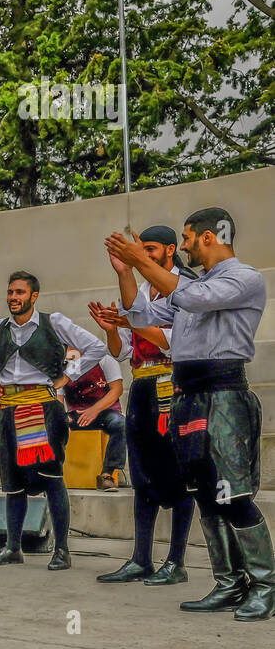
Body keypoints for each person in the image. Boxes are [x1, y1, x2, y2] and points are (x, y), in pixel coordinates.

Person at [108, 208, 270, 620]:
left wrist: (140, 259)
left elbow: (194, 300)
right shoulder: (192, 285)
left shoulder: (243, 278)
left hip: (225, 393)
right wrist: (127, 270)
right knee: (205, 493)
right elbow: (140, 314)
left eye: (187, 238)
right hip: (190, 394)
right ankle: (229, 583)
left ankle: (266, 585)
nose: (183, 246)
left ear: (211, 236)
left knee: (232, 493)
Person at [0, 271, 108, 570]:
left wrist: (67, 376)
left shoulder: (54, 322)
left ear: (34, 296)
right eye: (10, 292)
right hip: (8, 408)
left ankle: (61, 550)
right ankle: (13, 547)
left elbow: (96, 347)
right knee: (12, 483)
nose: (13, 298)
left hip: (43, 408)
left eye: (20, 292)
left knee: (51, 478)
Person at [88, 225, 195, 586]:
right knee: (143, 474)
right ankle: (140, 558)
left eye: (149, 250)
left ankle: (176, 561)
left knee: (179, 474)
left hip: (172, 383)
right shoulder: (137, 290)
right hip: (143, 385)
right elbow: (122, 352)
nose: (144, 255)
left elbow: (171, 340)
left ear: (169, 250)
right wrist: (113, 328)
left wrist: (131, 320)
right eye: (140, 250)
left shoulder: (186, 285)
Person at [61, 346, 126, 491]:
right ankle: (54, 475)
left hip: (105, 412)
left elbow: (117, 390)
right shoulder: (62, 368)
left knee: (120, 424)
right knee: (53, 424)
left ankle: (107, 474)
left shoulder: (105, 359)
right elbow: (58, 400)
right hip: (76, 414)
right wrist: (61, 418)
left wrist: (93, 411)